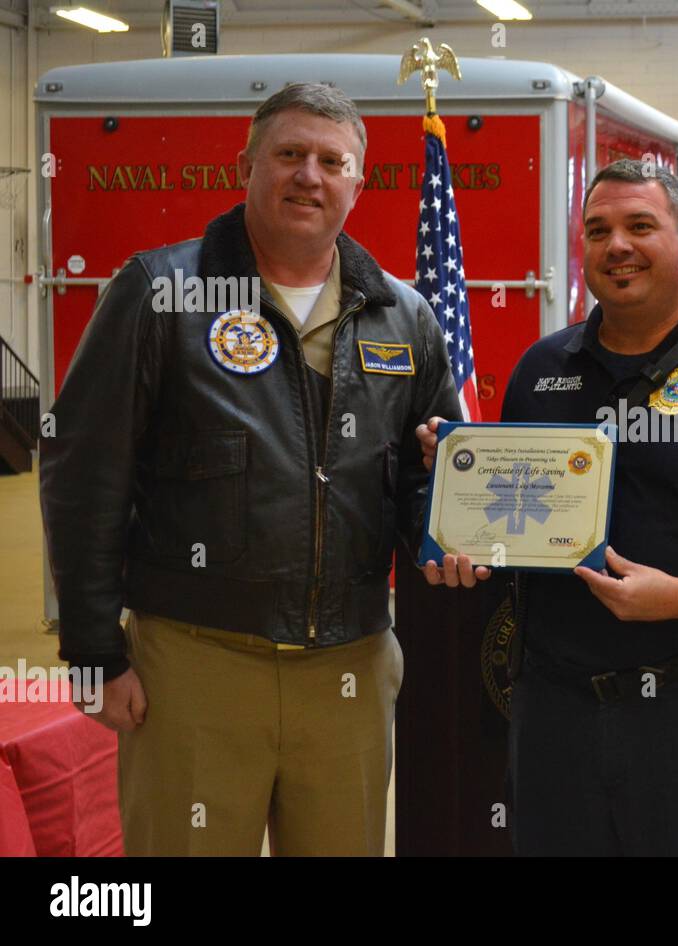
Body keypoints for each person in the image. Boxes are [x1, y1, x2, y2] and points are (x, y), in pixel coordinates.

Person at [40, 83, 461, 856]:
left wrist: (453, 523)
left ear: (358, 182)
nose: (310, 176)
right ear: (246, 165)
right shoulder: (162, 294)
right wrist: (94, 650)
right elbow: (84, 473)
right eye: (289, 155)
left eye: (332, 161)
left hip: (350, 669)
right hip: (196, 664)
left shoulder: (405, 316)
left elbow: (431, 475)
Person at [418, 159, 678, 855]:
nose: (617, 245)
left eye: (640, 225)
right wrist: (457, 500)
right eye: (597, 229)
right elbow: (512, 518)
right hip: (557, 718)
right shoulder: (541, 373)